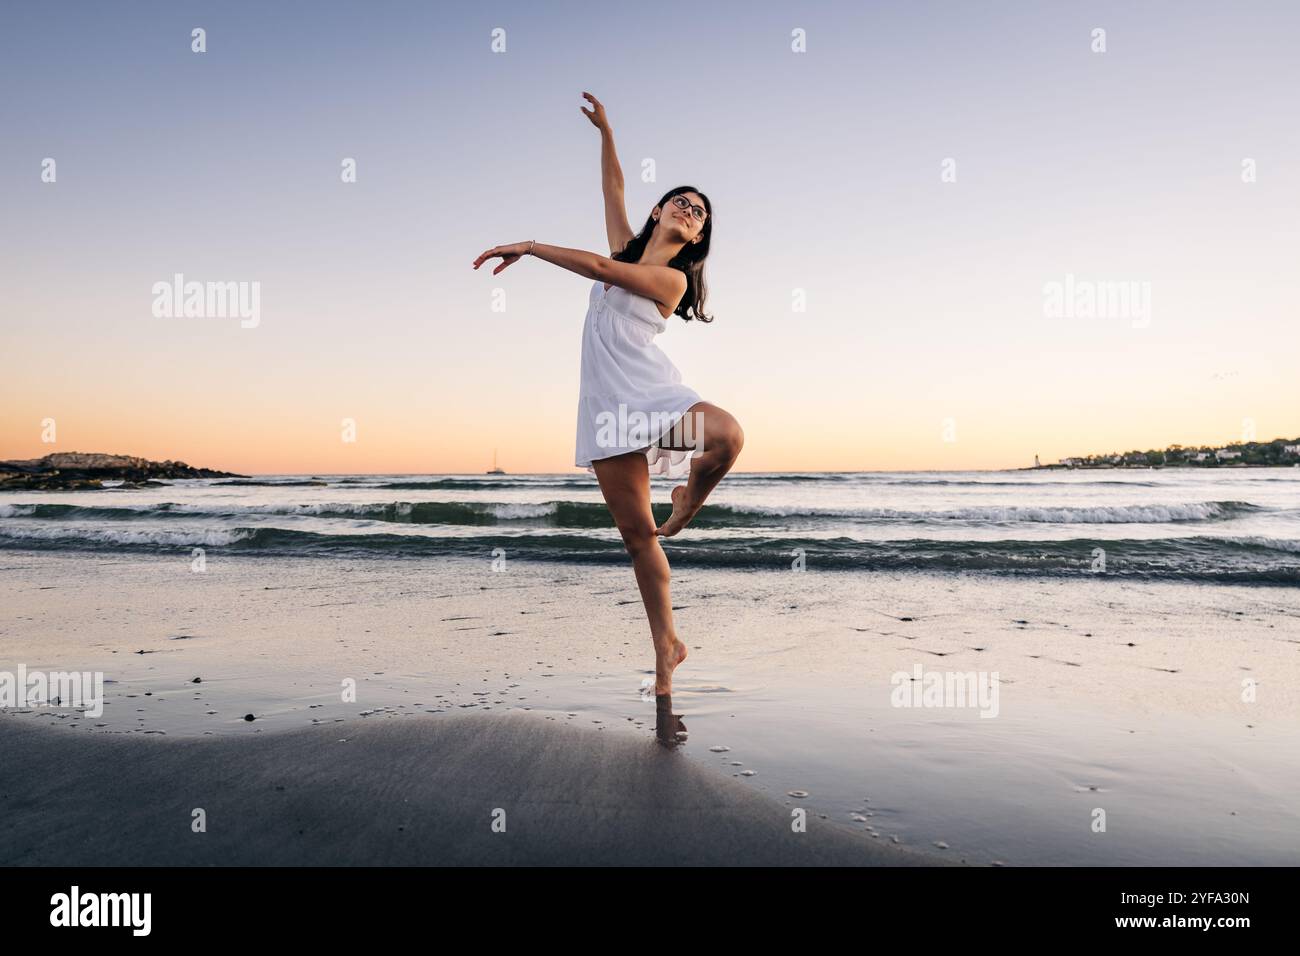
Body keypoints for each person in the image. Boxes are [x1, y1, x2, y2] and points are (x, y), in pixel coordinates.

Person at [472, 92, 744, 697]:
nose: (689, 208)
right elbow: (612, 193)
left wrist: (533, 246)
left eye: (699, 212)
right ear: (658, 209)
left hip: (652, 396)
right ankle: (667, 648)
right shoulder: (627, 243)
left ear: (696, 240)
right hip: (605, 411)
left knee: (726, 435)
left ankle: (688, 505)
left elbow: (599, 268)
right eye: (681, 200)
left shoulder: (669, 279)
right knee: (636, 538)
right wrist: (607, 134)